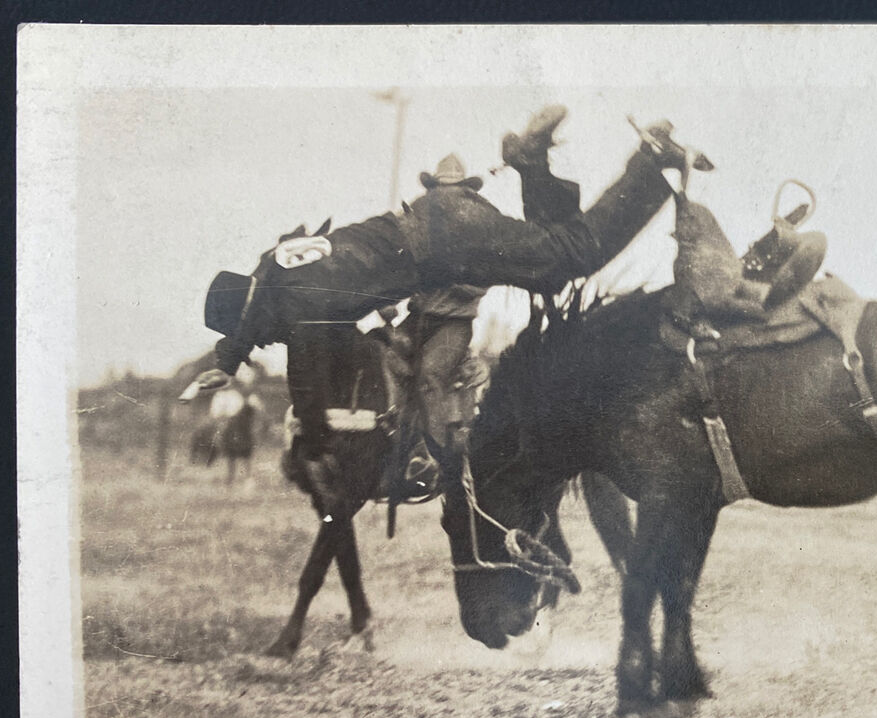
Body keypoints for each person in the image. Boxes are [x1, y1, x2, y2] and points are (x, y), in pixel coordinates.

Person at [201, 106, 702, 508]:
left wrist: (313, 447)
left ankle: (650, 160)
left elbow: (306, 383)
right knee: (556, 260)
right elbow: (257, 310)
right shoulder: (273, 267)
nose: (269, 339)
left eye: (262, 334)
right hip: (439, 226)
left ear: (256, 312)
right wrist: (227, 360)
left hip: (447, 245)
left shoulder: (297, 311)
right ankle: (533, 160)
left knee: (575, 255)